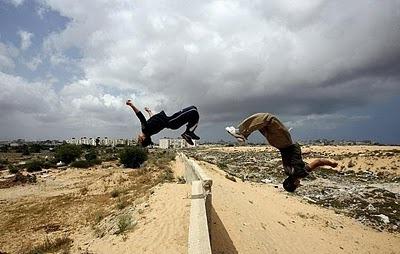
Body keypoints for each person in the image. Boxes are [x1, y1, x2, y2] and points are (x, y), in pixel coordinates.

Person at [225, 113, 337, 192]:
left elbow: (318, 162)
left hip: (284, 143)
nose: (299, 185)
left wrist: (331, 164)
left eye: (296, 186)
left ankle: (240, 133)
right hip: (277, 144)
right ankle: (242, 134)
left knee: (268, 119)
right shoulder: (288, 172)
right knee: (263, 124)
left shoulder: (300, 174)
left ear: (293, 184)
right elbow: (293, 158)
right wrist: (302, 153)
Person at [126, 100, 200, 147]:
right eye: (139, 140)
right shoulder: (145, 130)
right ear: (143, 138)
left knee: (194, 111)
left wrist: (149, 111)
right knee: (194, 110)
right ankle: (188, 133)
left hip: (172, 122)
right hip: (172, 121)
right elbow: (141, 117)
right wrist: (132, 105)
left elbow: (154, 119)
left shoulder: (149, 132)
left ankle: (188, 133)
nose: (137, 138)